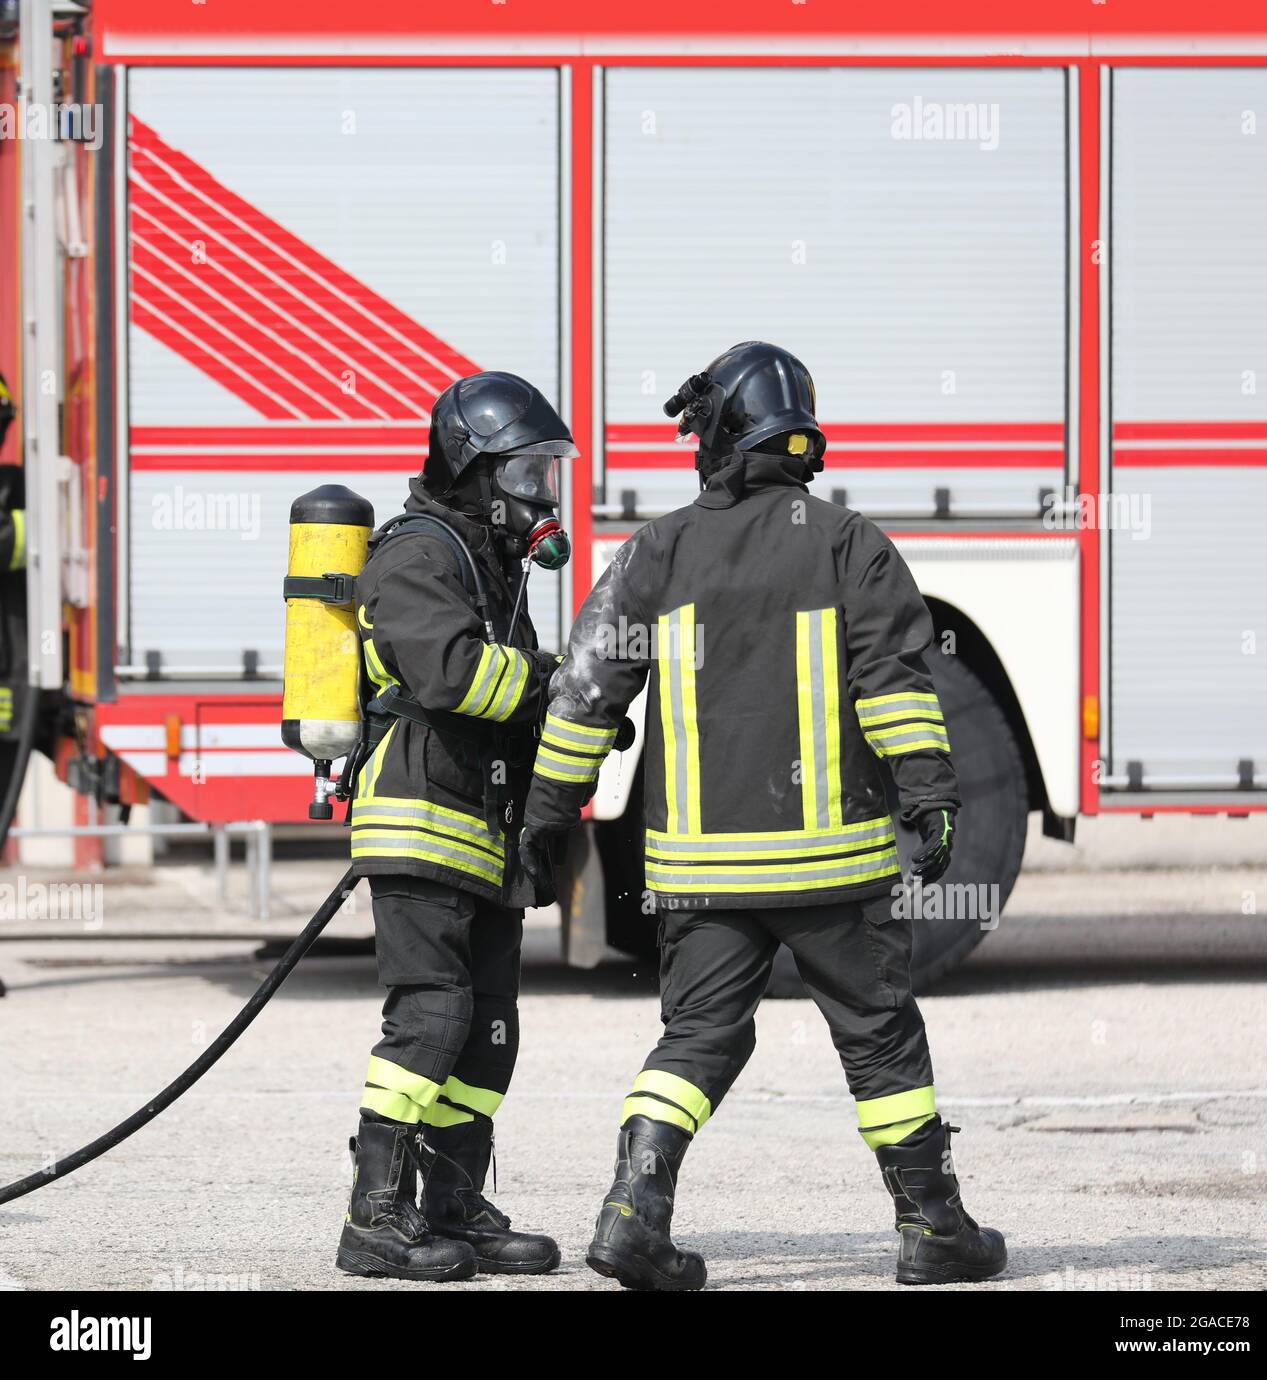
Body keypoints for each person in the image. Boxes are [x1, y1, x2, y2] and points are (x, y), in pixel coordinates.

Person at [521, 341, 1006, 1290]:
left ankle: (632, 1212)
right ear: (800, 441)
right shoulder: (847, 542)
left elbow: (583, 696)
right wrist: (932, 796)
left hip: (703, 876)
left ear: (713, 436)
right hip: (835, 869)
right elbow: (896, 686)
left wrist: (546, 814)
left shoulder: (653, 552)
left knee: (698, 1036)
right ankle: (933, 1226)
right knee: (878, 1033)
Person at [337, 371, 573, 1282]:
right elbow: (452, 677)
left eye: (549, 472)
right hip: (419, 825)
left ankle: (450, 1204)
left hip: (480, 831)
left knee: (487, 1033)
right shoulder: (416, 553)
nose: (544, 494)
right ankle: (374, 1218)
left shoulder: (491, 557)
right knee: (431, 1019)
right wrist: (553, 689)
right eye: (529, 472)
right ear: (477, 470)